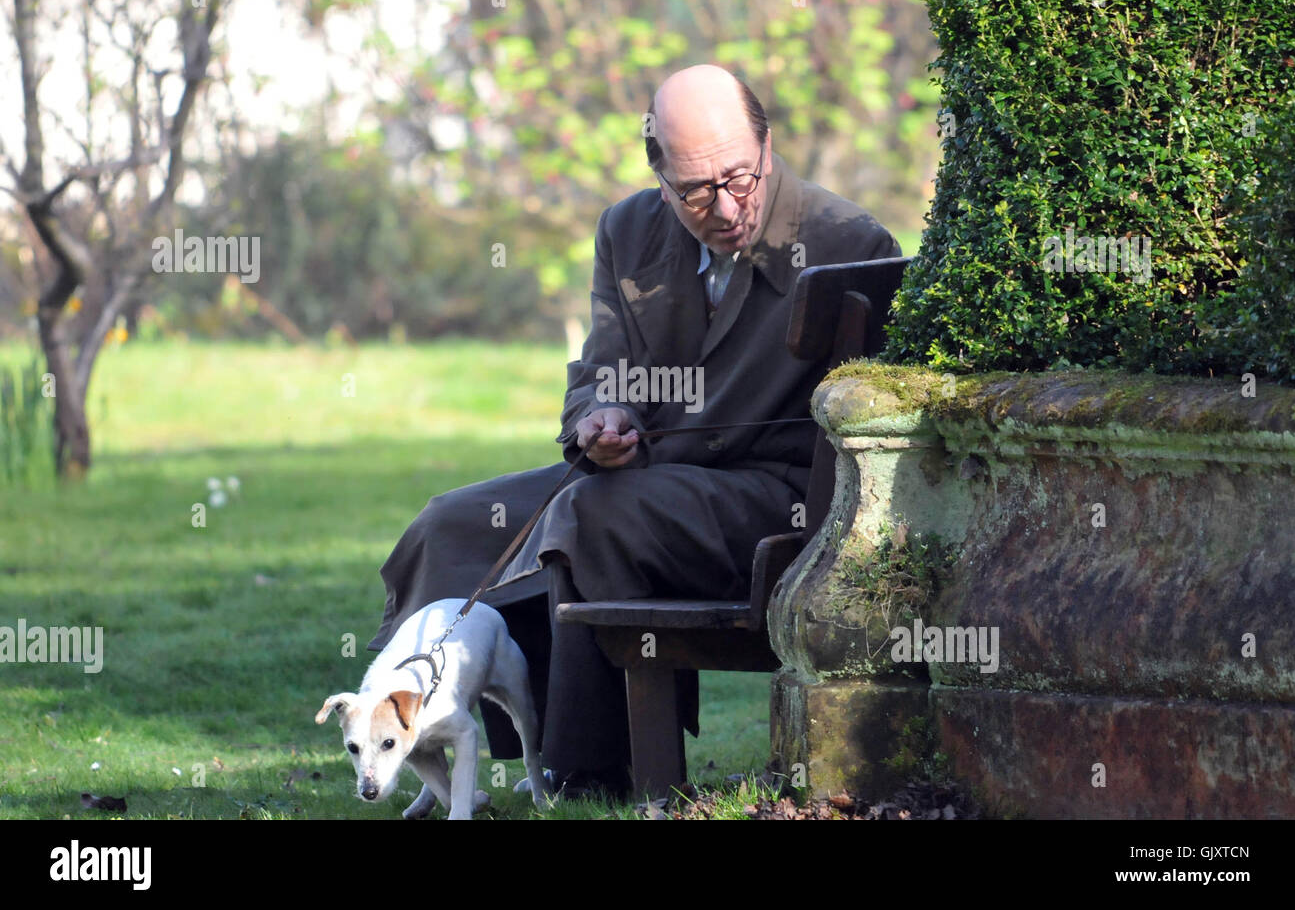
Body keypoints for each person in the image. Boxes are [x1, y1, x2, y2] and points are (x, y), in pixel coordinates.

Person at [369, 64, 900, 798]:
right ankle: (439, 746)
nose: (724, 205)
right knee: (447, 524)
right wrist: (598, 414)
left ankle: (585, 770)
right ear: (661, 180)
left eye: (739, 177)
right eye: (695, 191)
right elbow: (601, 368)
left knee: (594, 514)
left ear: (767, 147)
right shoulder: (626, 231)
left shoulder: (848, 239)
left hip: (772, 501)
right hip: (639, 477)